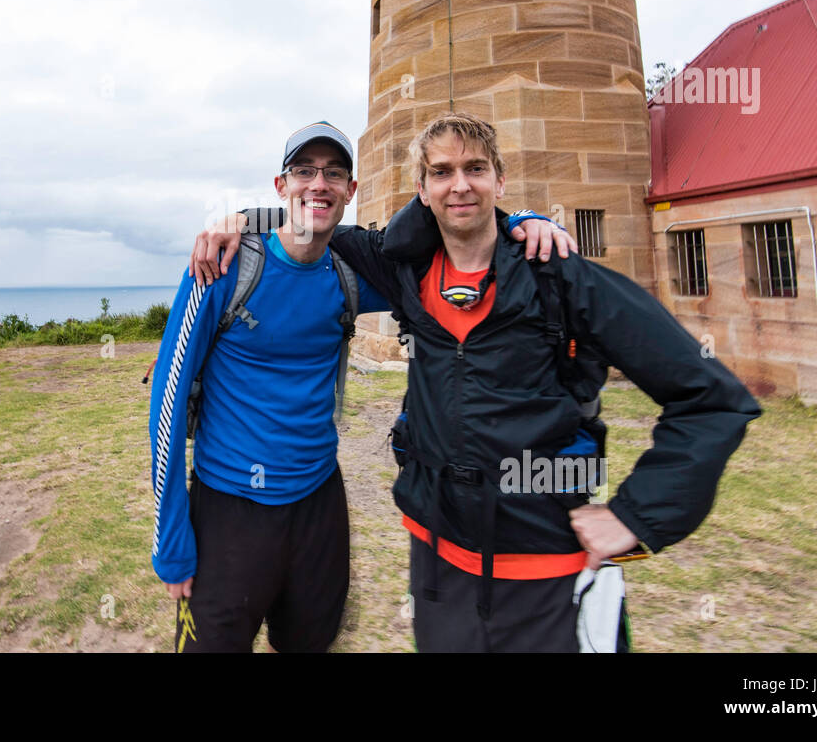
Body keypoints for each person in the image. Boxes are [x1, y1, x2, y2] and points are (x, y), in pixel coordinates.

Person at [195, 112, 762, 652]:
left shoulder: (562, 278)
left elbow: (712, 399)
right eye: (441, 172)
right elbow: (313, 216)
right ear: (422, 189)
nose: (459, 186)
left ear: (500, 179)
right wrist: (241, 218)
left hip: (548, 571)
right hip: (439, 568)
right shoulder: (403, 269)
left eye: (474, 169)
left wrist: (634, 518)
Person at [149, 120, 568, 652]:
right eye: (303, 171)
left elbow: (455, 230)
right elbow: (166, 401)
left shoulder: (351, 274)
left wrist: (524, 222)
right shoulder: (224, 266)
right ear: (281, 186)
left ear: (351, 190)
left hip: (319, 503)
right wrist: (172, 542)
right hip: (228, 506)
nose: (317, 183)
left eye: (334, 174)